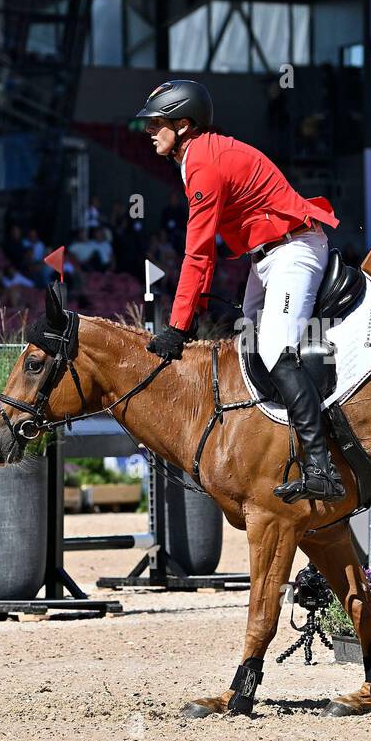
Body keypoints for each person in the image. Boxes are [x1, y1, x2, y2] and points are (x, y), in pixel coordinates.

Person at [135, 79, 343, 504]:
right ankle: (275, 449)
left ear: (184, 124)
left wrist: (178, 326)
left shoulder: (203, 163)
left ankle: (323, 468)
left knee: (273, 349)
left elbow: (198, 255)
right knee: (247, 346)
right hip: (266, 257)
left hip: (292, 250)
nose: (149, 131)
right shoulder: (197, 154)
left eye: (157, 123)